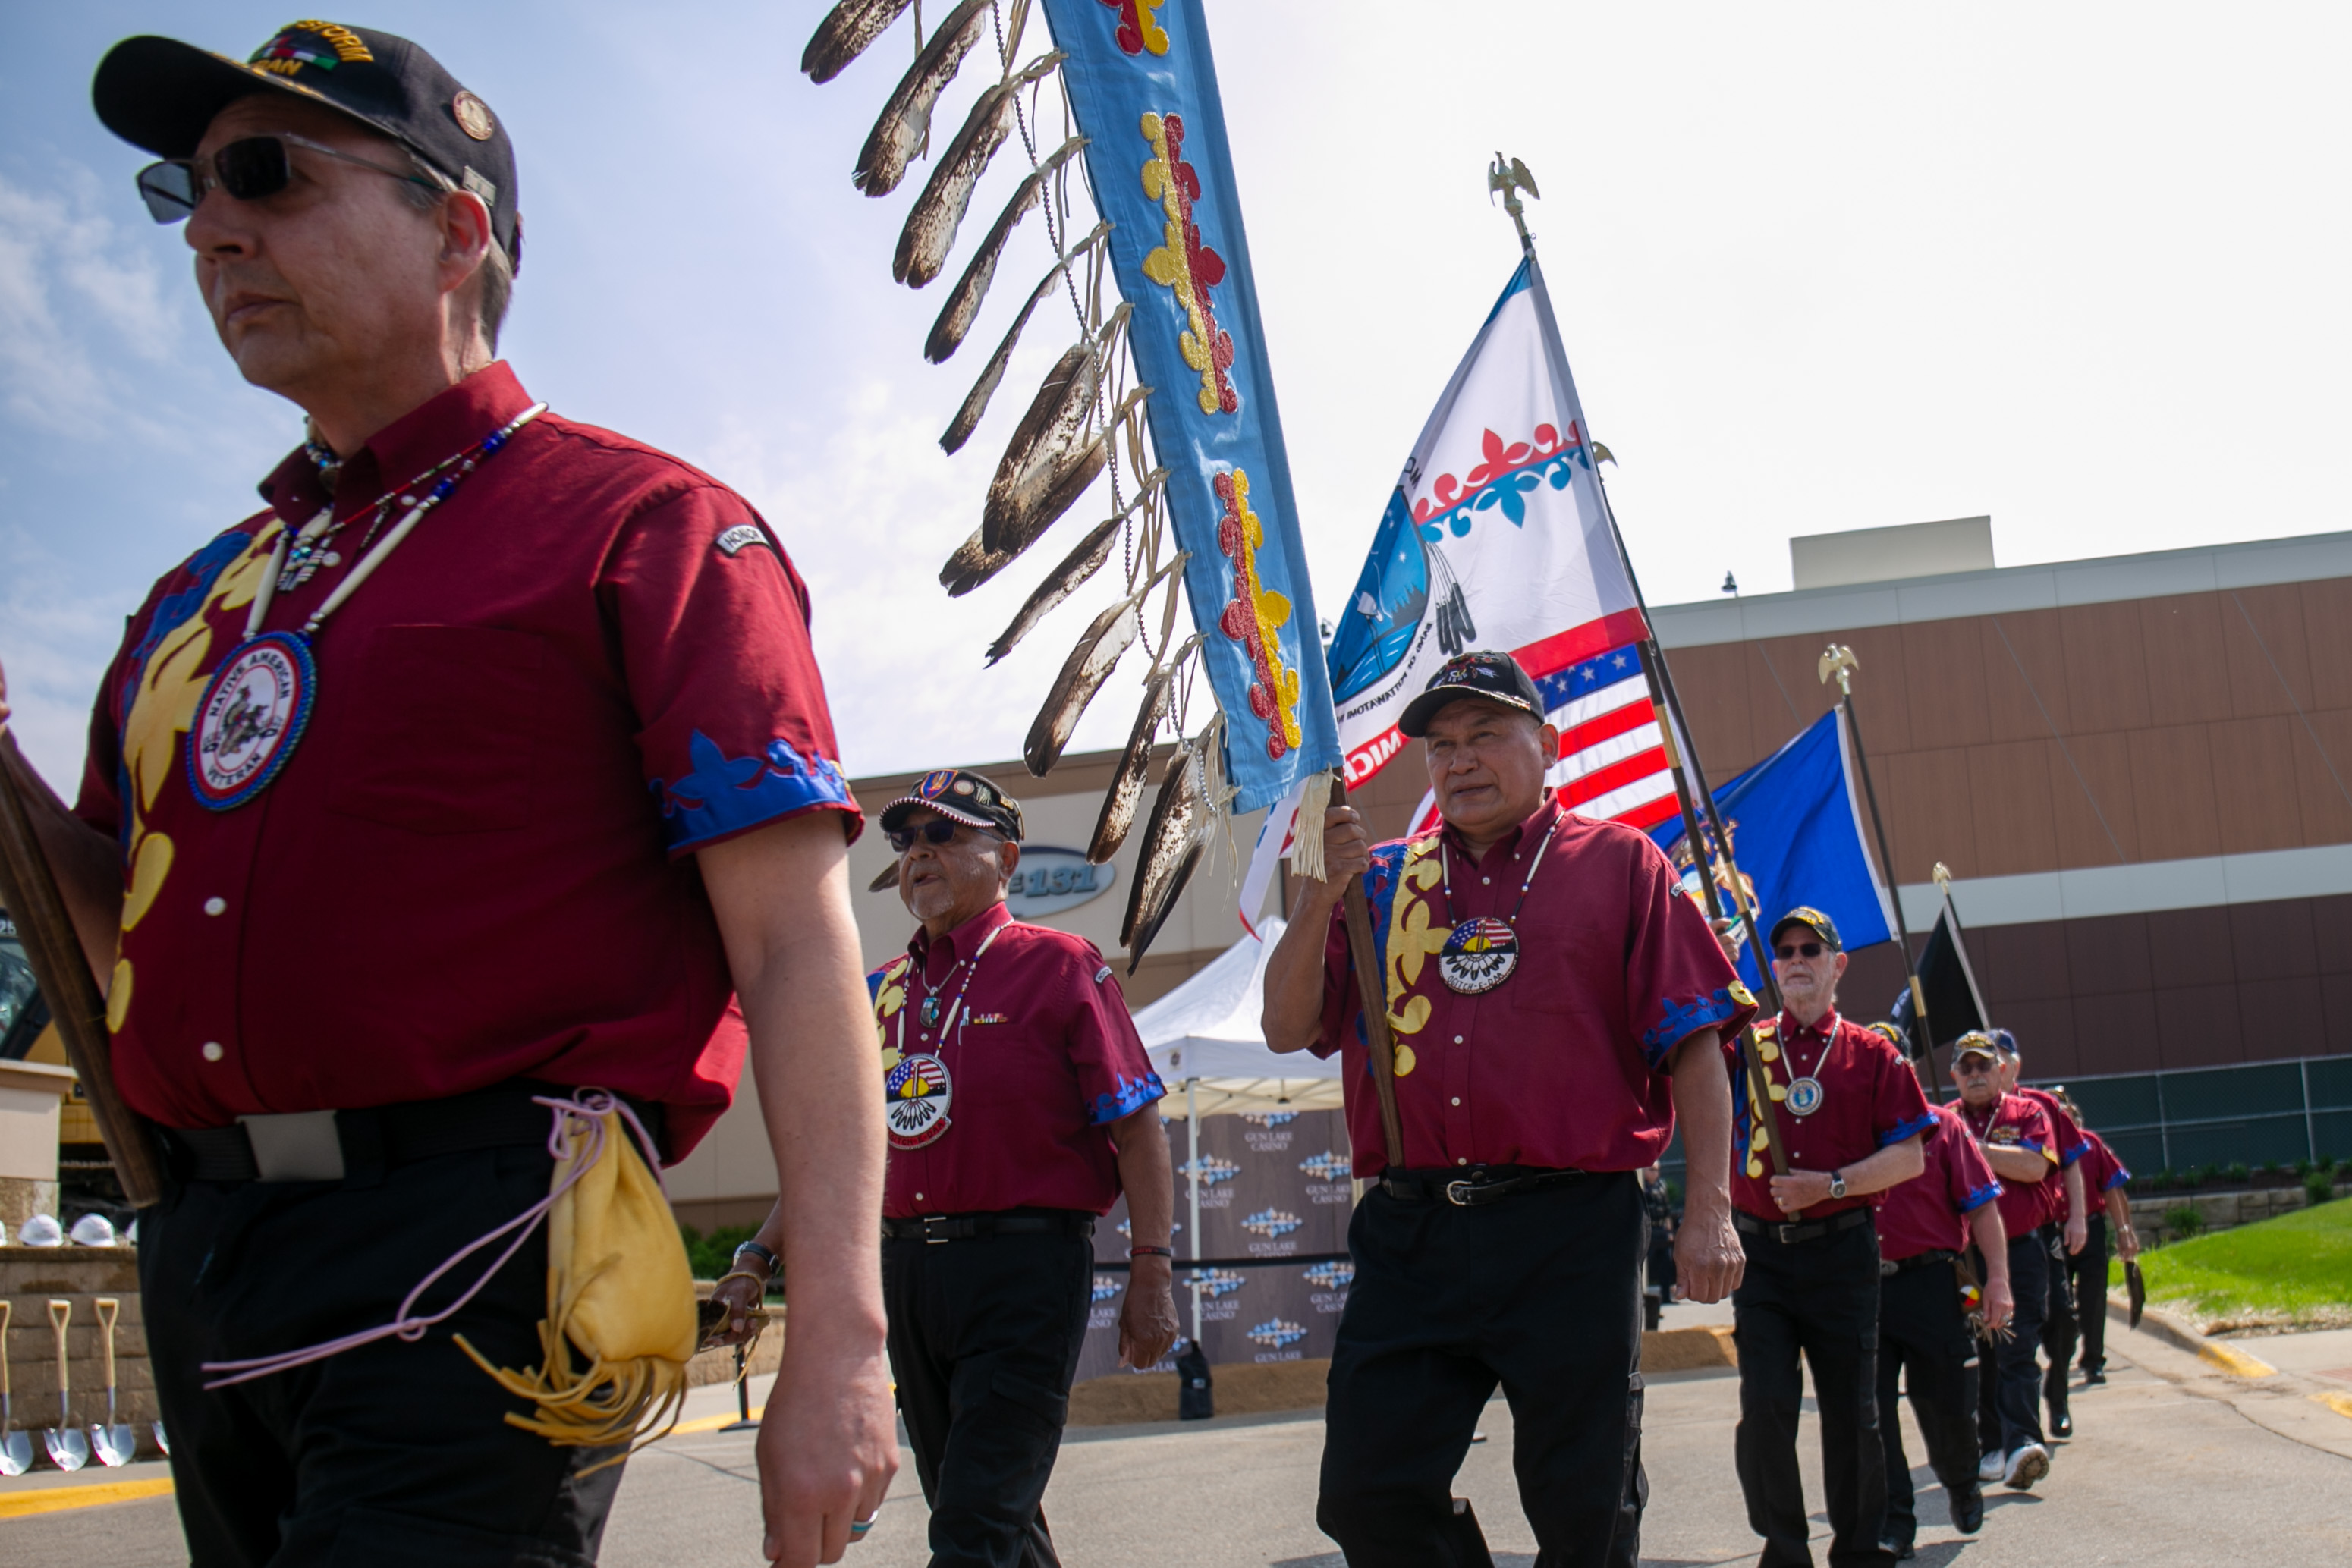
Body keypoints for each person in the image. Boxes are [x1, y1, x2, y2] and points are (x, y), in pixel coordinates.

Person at [0, 23, 896, 1565]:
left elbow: (798, 948)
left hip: (479, 1248)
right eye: (186, 190)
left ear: (457, 226)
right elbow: (113, 939)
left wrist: (843, 1332)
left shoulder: (648, 529)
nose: (213, 229)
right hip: (205, 1243)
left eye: (267, 177)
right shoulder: (186, 602)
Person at [1262, 650, 1753, 1568]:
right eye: (1440, 745)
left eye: (1486, 735)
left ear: (1547, 745)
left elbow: (1695, 1044)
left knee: (1585, 1504)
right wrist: (1318, 892)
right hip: (1411, 1234)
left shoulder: (1619, 865)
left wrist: (1708, 1211)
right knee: (1367, 1498)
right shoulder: (1374, 880)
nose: (1460, 761)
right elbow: (1286, 1026)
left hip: (1571, 1227)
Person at [709, 768, 1178, 1568]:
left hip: (1024, 1271)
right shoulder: (875, 995)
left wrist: (1151, 1273)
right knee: (991, 1517)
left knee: (974, 1525)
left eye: (944, 835)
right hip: (908, 1278)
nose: (918, 854)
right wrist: (756, 1258)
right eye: (906, 841)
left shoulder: (1061, 967)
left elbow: (1137, 1131)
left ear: (1007, 858)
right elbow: (834, 1151)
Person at [1728, 909, 1932, 1568]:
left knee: (1853, 1412)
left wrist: (1832, 1185)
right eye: (1784, 949)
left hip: (1842, 1251)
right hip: (1761, 1256)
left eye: (1810, 948)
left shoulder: (1873, 1054)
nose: (1795, 959)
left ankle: (1856, 1549)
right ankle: (1785, 1547)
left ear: (1837, 963)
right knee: (1764, 1407)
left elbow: (1909, 1157)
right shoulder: (1746, 1048)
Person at [1869, 1075, 2014, 1561]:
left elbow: (1984, 1208)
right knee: (1871, 1413)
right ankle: (1895, 1523)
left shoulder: (1944, 1127)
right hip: (1863, 1288)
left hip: (1932, 1284)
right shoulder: (1846, 1133)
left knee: (1946, 1406)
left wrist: (1997, 1281)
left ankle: (1961, 1478)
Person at [1951, 1033, 2058, 1492]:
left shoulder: (2028, 1113)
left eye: (1984, 1066)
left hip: (2020, 1254)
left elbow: (2035, 1166)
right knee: (1980, 1349)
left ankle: (2022, 1445)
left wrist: (1974, 1151)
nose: (1976, 1074)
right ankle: (1991, 1444)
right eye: (1966, 1068)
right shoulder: (1945, 1122)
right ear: (1954, 1076)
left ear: (2002, 1071)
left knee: (2018, 1345)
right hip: (1966, 1263)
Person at [1988, 1032, 2090, 1438]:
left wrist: (2078, 1217)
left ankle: (2058, 1393)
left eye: (1997, 1060)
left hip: (2040, 1230)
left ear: (2014, 1066)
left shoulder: (2040, 1107)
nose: (1989, 1069)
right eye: (1979, 1062)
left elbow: (2072, 1162)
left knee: (2062, 1319)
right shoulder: (1967, 1112)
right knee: (2008, 1330)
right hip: (1990, 1235)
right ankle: (2006, 1422)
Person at [2053, 1092, 2138, 1387]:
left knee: (2093, 1300)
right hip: (2052, 1234)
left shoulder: (2090, 1144)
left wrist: (2124, 1232)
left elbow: (2113, 1190)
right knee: (2058, 1305)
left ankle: (2093, 1362)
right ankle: (2060, 1361)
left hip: (2090, 1229)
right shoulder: (2036, 1147)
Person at [1641, 1165, 1679, 1332]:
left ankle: (1666, 1296)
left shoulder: (1662, 1186)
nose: (1655, 1173)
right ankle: (1646, 1299)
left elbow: (1667, 1211)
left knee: (1666, 1264)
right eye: (1651, 1169)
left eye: (1657, 1170)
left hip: (1662, 1229)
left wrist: (1670, 1231)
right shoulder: (1641, 1187)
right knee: (1645, 1268)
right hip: (1648, 1230)